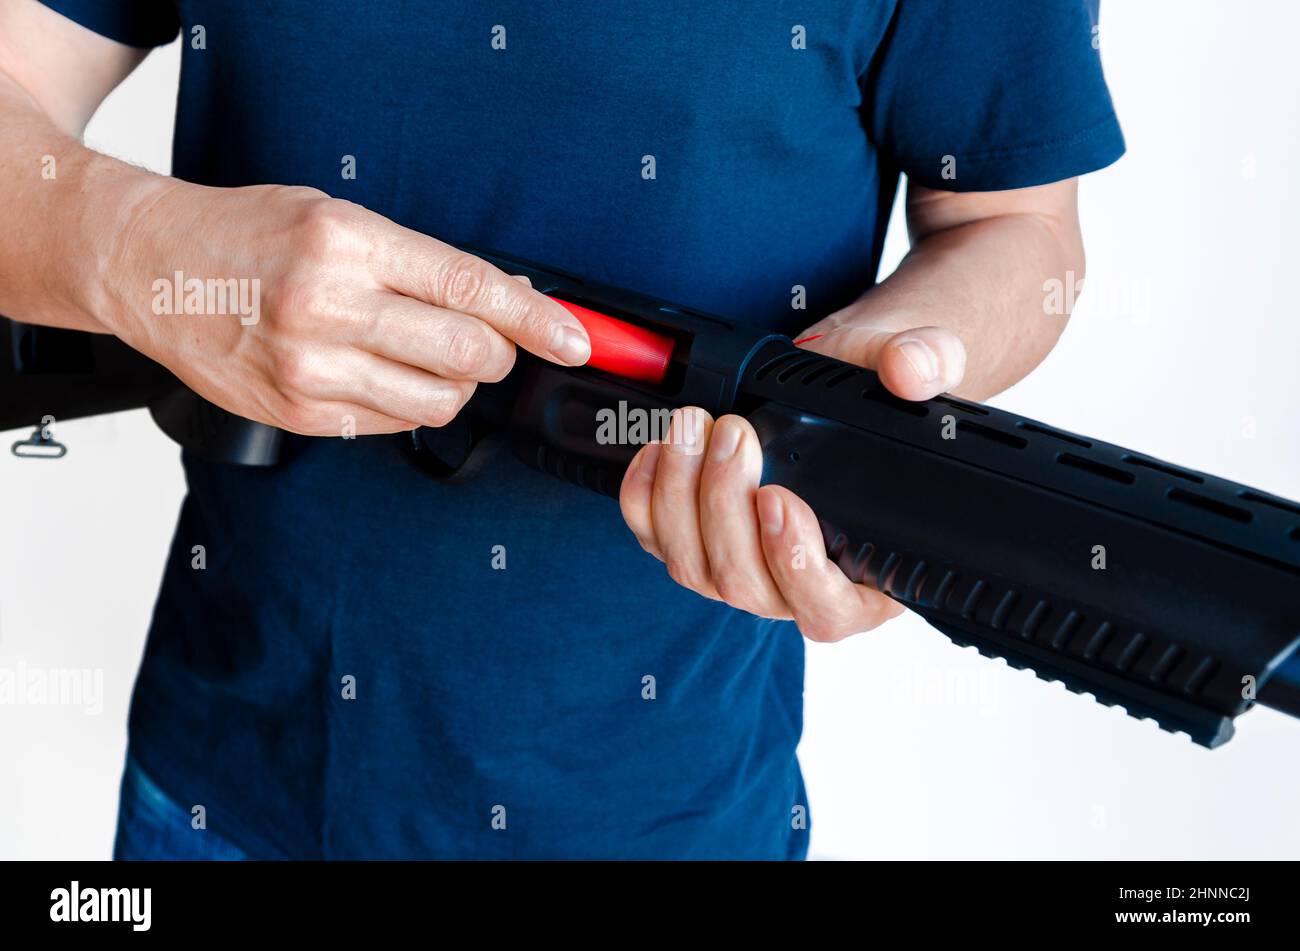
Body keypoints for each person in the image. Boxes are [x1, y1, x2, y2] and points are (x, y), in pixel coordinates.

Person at [0, 0, 1124, 859]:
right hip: (226, 791)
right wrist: (142, 252)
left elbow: (1016, 224)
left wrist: (884, 386)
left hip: (675, 811)